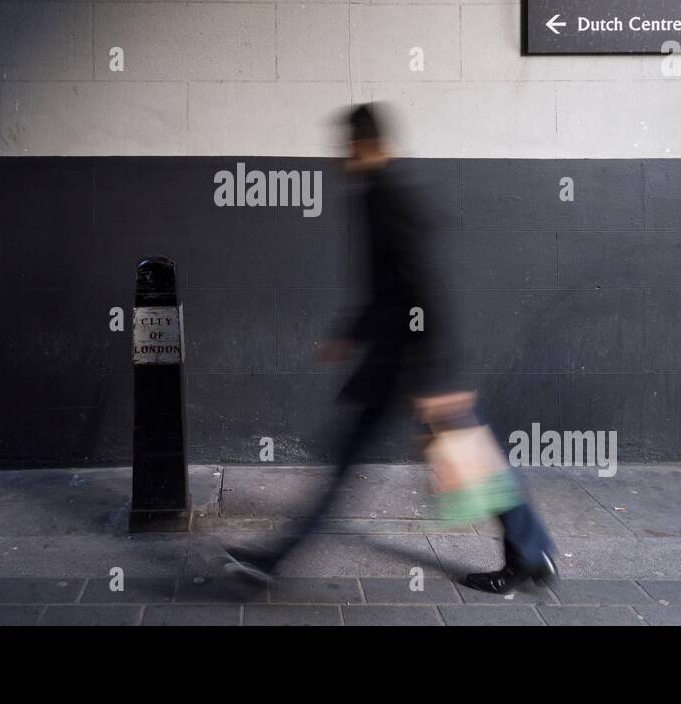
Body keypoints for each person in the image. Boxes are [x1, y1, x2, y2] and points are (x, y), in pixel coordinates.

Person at [223, 102, 558, 594]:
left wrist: (440, 381)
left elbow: (432, 287)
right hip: (397, 360)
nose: (340, 156)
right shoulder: (376, 192)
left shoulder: (396, 193)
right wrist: (351, 334)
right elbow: (388, 285)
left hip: (416, 365)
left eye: (347, 146)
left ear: (366, 144)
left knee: (447, 461)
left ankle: (274, 560)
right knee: (456, 459)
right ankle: (534, 553)